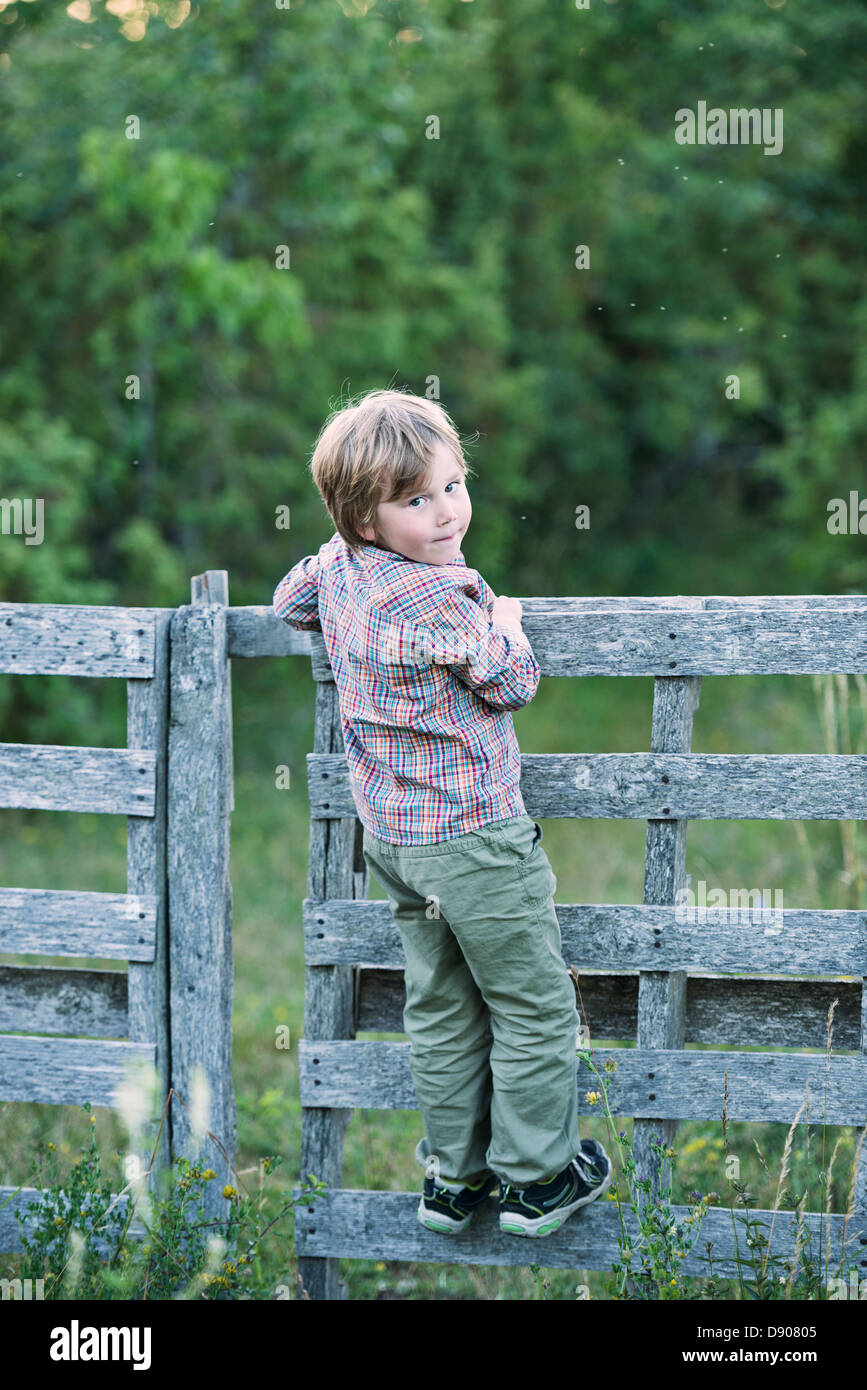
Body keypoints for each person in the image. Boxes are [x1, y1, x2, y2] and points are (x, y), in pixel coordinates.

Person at [273, 388, 612, 1238]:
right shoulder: (434, 599)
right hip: (474, 839)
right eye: (415, 500)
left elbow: (287, 602)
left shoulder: (339, 570)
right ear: (365, 516)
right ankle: (536, 1181)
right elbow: (512, 682)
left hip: (395, 840)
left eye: (453, 485)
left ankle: (453, 1181)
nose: (446, 512)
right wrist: (504, 619)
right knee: (531, 1003)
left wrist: (341, 553)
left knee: (441, 1003)